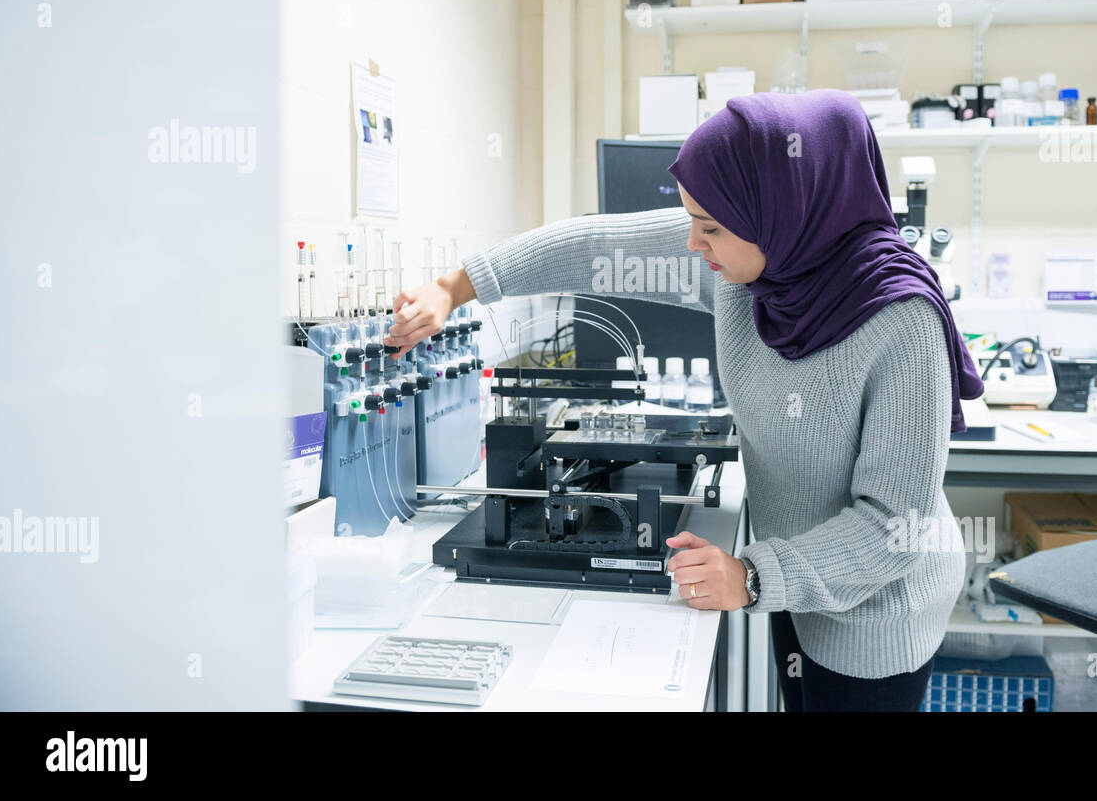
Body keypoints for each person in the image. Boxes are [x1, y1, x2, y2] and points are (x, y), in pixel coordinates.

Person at [384, 89, 984, 711]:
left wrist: (752, 577)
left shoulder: (901, 323)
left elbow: (892, 530)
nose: (693, 244)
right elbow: (593, 248)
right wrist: (455, 287)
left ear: (780, 213)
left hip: (876, 613)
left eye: (710, 228)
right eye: (692, 220)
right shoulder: (753, 263)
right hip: (798, 585)